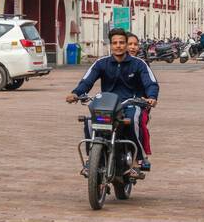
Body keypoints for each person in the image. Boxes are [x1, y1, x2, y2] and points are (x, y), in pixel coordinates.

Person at [67, 27, 159, 173]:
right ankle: (91, 158)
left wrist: (152, 97)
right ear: (110, 45)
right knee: (90, 121)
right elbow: (87, 81)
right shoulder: (101, 63)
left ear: (126, 44)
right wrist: (76, 93)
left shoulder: (138, 64)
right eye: (115, 43)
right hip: (107, 104)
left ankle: (137, 158)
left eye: (122, 42)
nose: (118, 45)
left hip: (130, 103)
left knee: (134, 120)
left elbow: (150, 83)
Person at [126, 33, 155, 160]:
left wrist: (150, 97)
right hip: (116, 103)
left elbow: (150, 83)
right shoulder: (109, 63)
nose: (132, 47)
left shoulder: (141, 64)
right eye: (129, 44)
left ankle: (140, 156)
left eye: (135, 44)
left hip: (138, 102)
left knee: (138, 121)